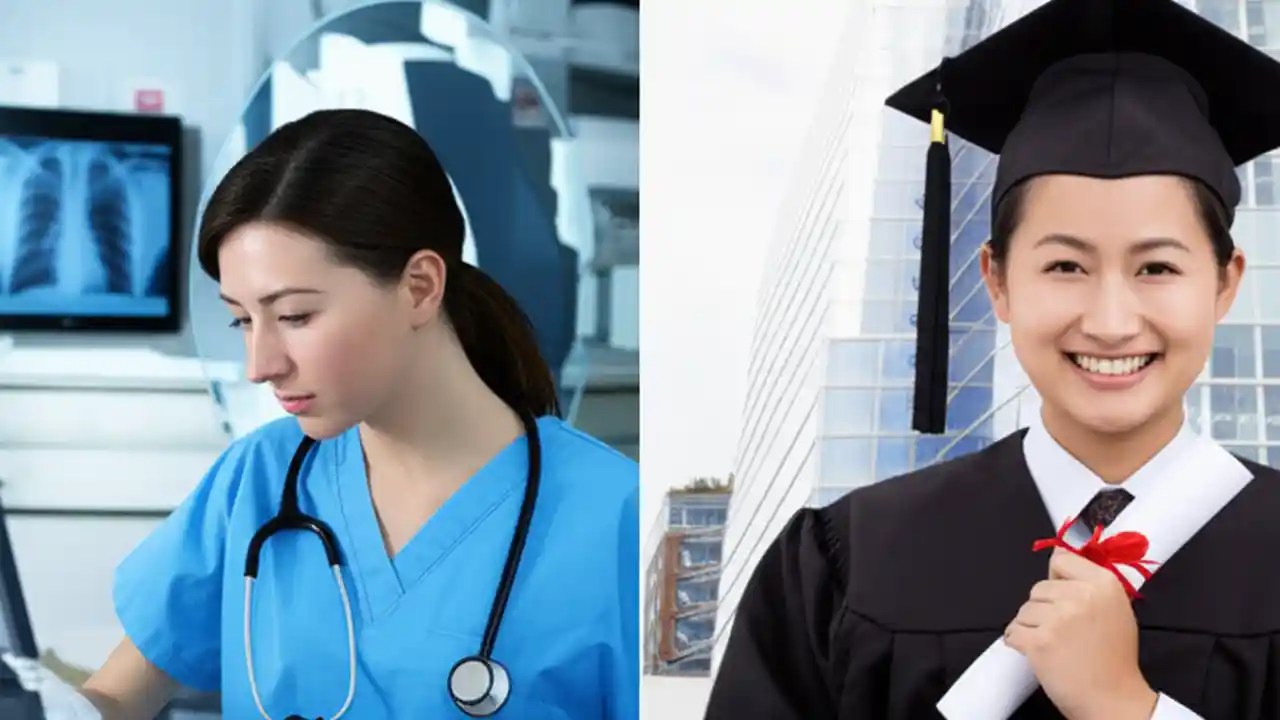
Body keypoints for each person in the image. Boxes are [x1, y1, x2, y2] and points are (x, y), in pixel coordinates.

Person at [705, 0, 1280, 718]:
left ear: (1225, 283)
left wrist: (1127, 706)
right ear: (997, 281)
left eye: (1156, 268)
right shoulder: (848, 561)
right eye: (1065, 267)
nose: (1109, 322)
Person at [12, 109, 638, 719]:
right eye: (242, 319)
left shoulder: (619, 520)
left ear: (420, 286)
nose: (260, 363)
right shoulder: (258, 478)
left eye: (294, 317)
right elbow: (115, 699)